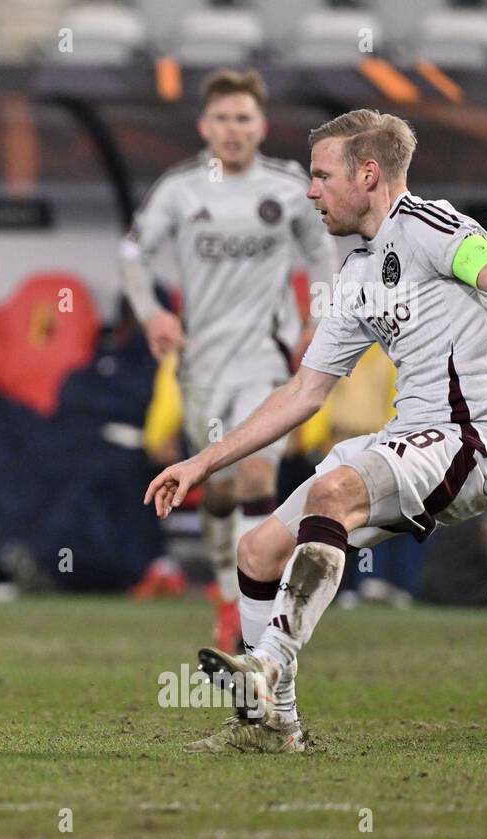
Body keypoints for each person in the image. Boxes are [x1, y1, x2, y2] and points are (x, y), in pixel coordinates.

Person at [145, 108, 487, 753]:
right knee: (257, 552)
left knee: (333, 491)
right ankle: (272, 726)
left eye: (321, 176)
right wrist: (203, 463)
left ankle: (270, 661)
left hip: (467, 441)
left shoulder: (432, 229)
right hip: (410, 435)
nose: (310, 191)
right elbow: (304, 392)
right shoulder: (357, 275)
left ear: (368, 174)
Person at [119, 69, 337, 653]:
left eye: (244, 118)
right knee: (216, 489)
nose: (233, 129)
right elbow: (133, 251)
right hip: (201, 365)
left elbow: (322, 252)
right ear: (204, 126)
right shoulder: (181, 189)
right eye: (222, 118)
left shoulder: (289, 185)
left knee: (257, 475)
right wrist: (151, 314)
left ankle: (250, 625)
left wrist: (318, 316)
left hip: (265, 360)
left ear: (261, 126)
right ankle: (225, 590)